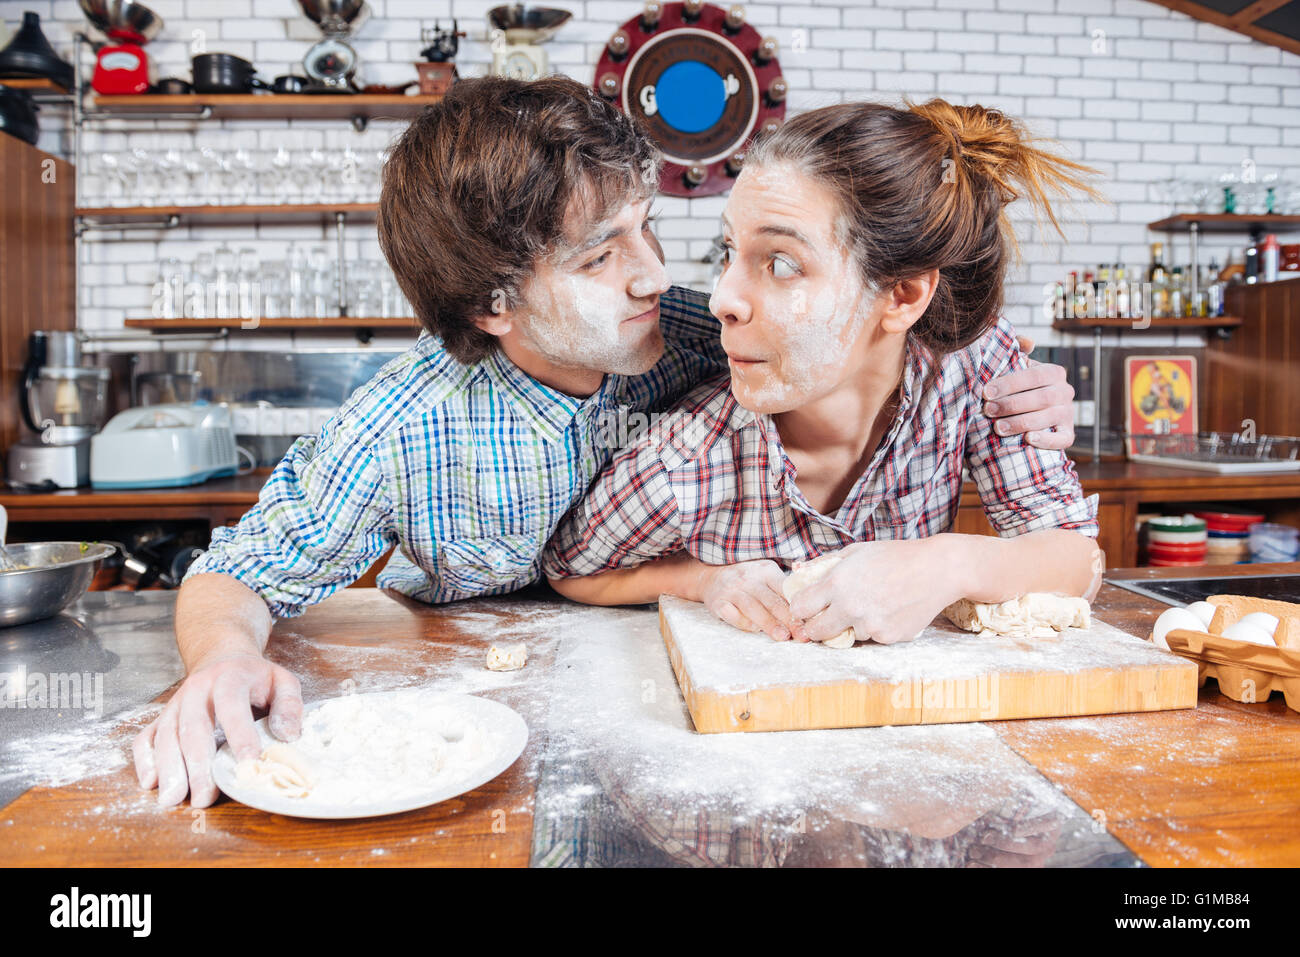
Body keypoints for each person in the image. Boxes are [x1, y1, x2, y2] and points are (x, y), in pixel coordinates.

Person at [132, 78, 1076, 808]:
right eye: (601, 255)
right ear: (493, 306)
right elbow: (238, 571)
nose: (656, 275)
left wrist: (1016, 383)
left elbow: (852, 321)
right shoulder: (402, 429)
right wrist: (221, 662)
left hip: (664, 690)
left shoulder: (702, 332)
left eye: (647, 227)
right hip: (472, 706)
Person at [544, 99, 1104, 646]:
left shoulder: (974, 369)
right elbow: (572, 570)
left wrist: (947, 563)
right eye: (729, 250)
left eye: (781, 263)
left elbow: (1079, 559)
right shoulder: (684, 462)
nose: (721, 299)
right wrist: (704, 579)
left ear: (903, 296)